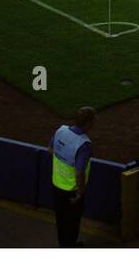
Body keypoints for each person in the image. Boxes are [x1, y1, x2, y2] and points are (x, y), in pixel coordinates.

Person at [48, 106, 95, 247]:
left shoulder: (60, 131)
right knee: (72, 223)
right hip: (71, 190)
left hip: (56, 184)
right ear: (87, 122)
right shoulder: (84, 143)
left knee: (61, 220)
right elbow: (79, 172)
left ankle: (64, 245)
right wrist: (80, 193)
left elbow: (50, 150)